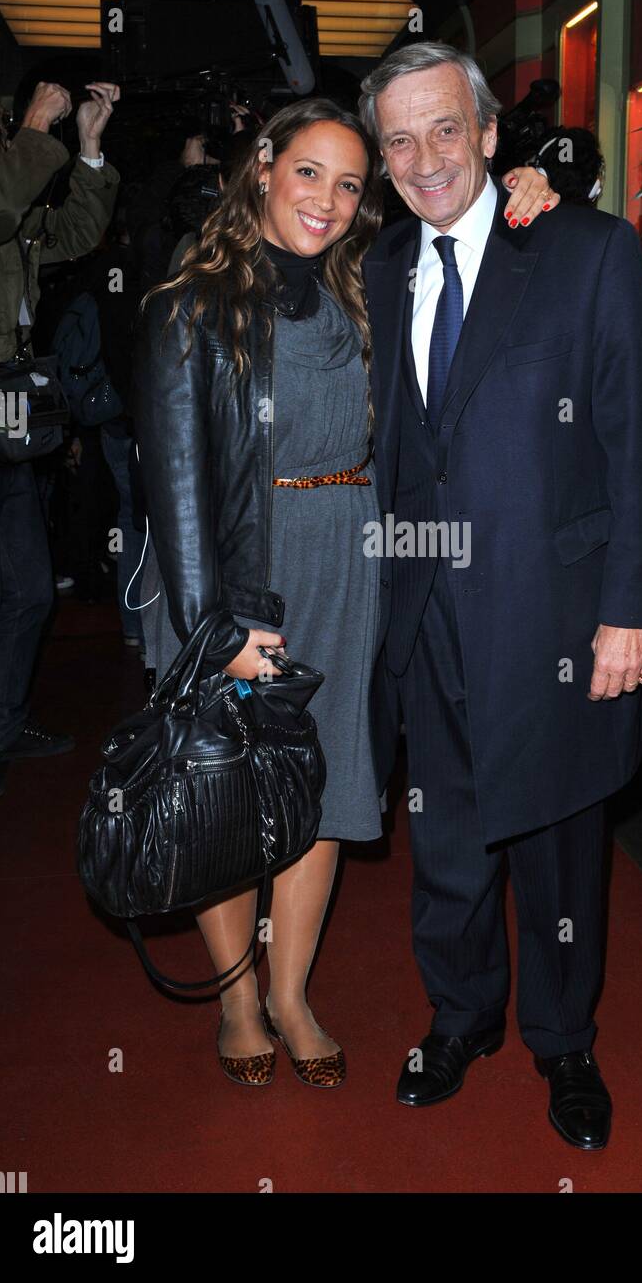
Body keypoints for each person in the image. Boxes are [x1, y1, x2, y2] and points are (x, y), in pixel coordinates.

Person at [132, 96, 555, 1088]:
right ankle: (237, 995)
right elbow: (176, 487)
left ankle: (290, 991)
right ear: (266, 167)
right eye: (309, 171)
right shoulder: (189, 304)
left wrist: (530, 190)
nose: (326, 198)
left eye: (350, 183)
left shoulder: (370, 284)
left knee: (324, 787)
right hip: (240, 573)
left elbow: (477, 247)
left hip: (350, 562)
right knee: (229, 789)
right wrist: (217, 624)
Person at [359, 41, 642, 1148]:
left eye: (446, 128)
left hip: (553, 613)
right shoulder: (383, 263)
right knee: (443, 838)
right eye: (398, 138)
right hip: (422, 613)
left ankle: (562, 1040)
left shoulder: (587, 250)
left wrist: (629, 608)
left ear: (492, 135)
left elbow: (639, 444)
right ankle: (459, 1019)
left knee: (555, 842)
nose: (425, 156)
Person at [0, 80, 119, 801]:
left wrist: (89, 148)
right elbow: (0, 208)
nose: (8, 137)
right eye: (4, 128)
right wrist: (37, 127)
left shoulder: (10, 188)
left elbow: (67, 234)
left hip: (6, 410)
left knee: (29, 592)